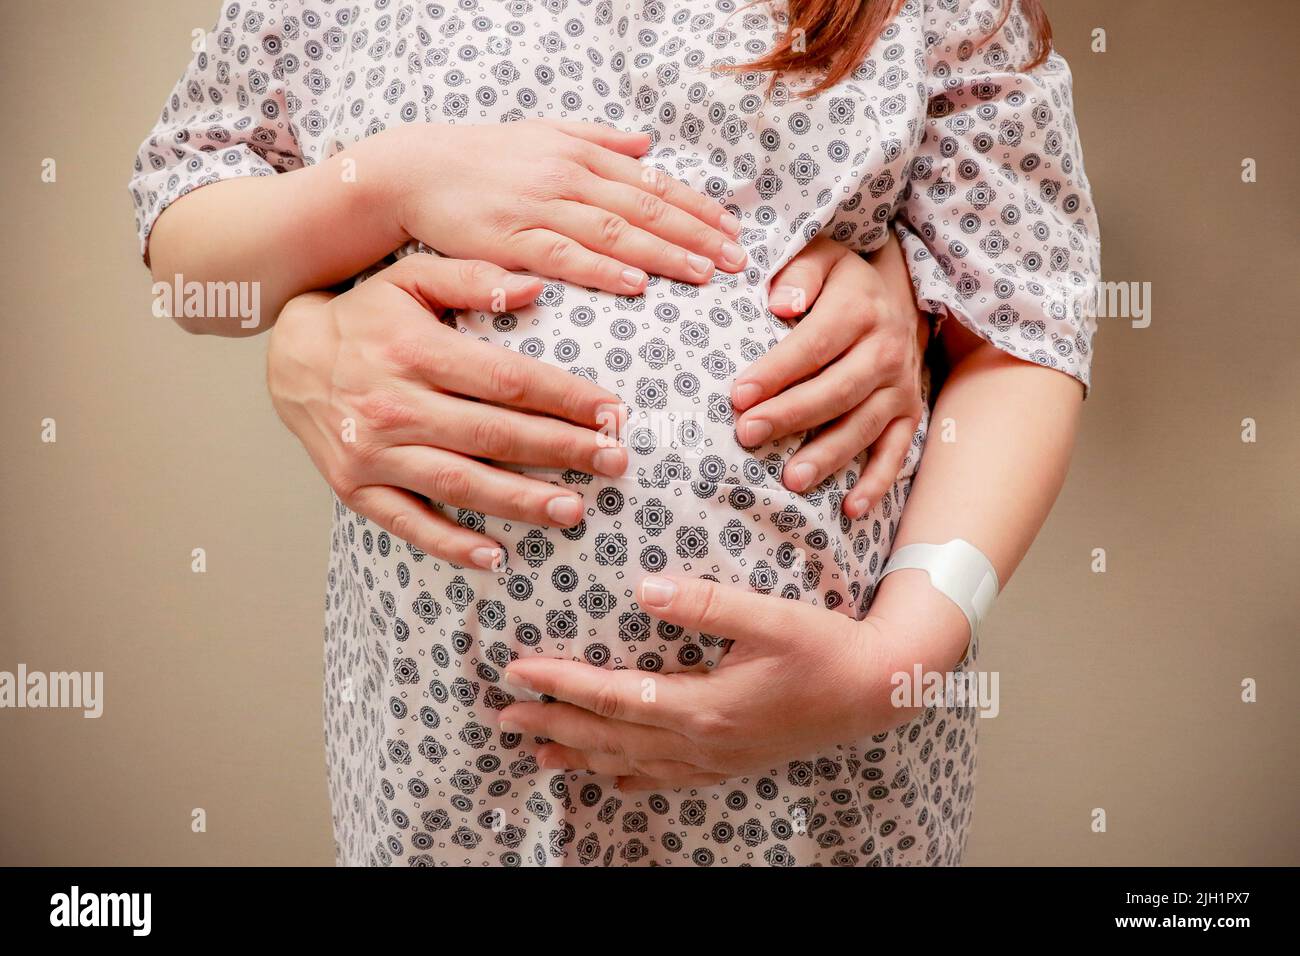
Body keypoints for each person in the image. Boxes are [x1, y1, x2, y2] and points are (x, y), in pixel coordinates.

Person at [131, 0, 1098, 865]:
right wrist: (375, 190)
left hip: (820, 776)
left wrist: (897, 662)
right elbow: (189, 250)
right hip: (459, 768)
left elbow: (1020, 332)